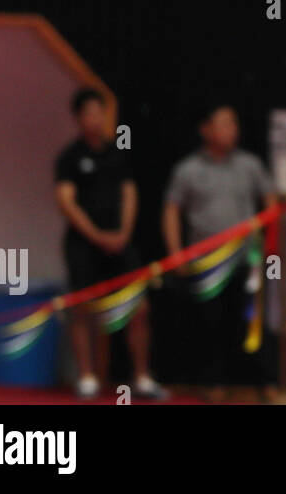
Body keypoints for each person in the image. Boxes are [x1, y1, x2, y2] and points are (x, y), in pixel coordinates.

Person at [54, 88, 165, 401]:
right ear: (78, 119)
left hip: (121, 242)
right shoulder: (69, 158)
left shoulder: (118, 153)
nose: (95, 119)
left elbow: (130, 193)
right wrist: (96, 235)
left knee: (139, 308)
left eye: (99, 112)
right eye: (88, 113)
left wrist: (123, 233)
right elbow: (66, 202)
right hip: (84, 244)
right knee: (81, 308)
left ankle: (142, 377)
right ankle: (87, 376)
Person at [163, 104, 279, 402]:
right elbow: (172, 209)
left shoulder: (250, 164)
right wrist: (176, 253)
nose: (230, 129)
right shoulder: (188, 169)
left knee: (252, 323)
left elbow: (270, 202)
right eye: (223, 123)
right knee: (209, 325)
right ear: (206, 129)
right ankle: (213, 383)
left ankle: (266, 385)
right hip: (207, 264)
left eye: (233, 123)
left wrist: (269, 244)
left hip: (245, 260)